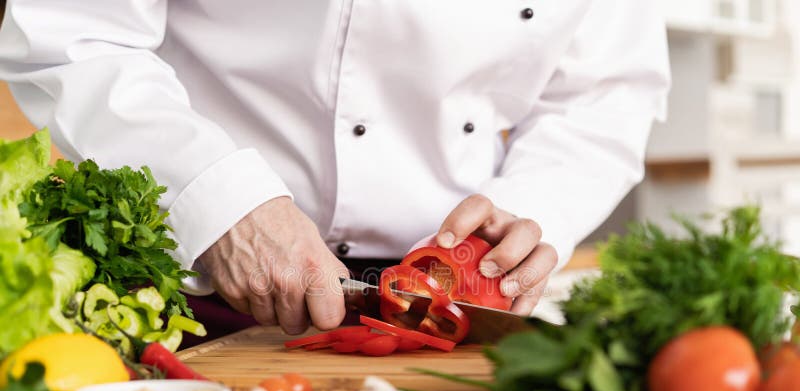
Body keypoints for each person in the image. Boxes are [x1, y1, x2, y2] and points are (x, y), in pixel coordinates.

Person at [0, 1, 670, 337]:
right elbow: (75, 32)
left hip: (454, 309)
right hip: (199, 292)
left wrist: (529, 211)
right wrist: (217, 200)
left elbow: (606, 89)